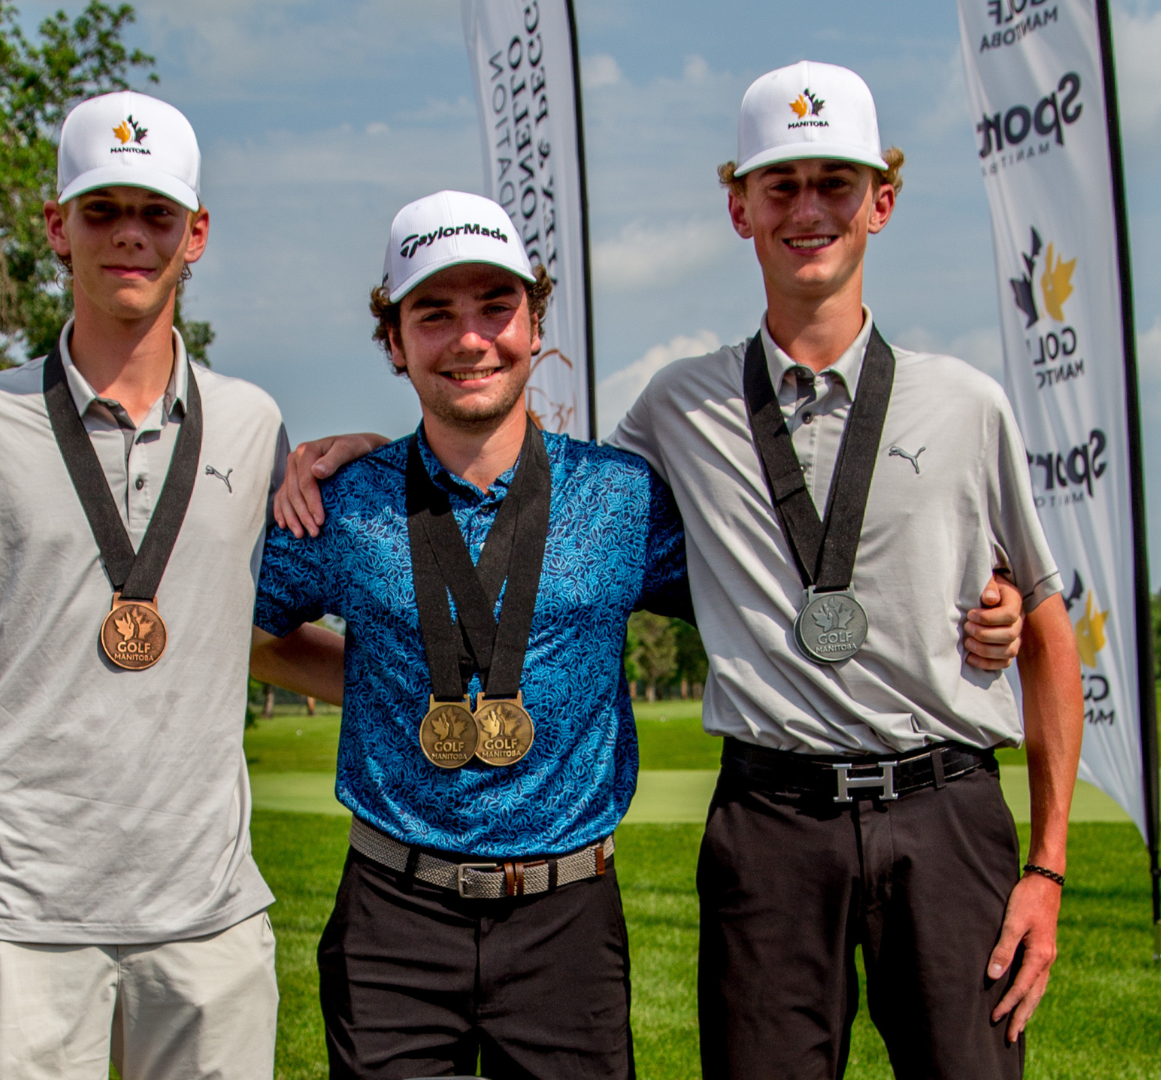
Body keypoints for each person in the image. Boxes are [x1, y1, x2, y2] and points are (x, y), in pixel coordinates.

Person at [272, 61, 1082, 1079]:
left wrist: (1042, 838)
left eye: (834, 182)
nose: (808, 210)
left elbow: (1033, 620)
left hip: (937, 803)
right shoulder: (673, 413)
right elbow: (494, 531)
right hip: (766, 820)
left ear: (882, 198)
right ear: (738, 206)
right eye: (780, 186)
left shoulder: (959, 404)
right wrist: (362, 473)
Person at [0, 90, 340, 1080]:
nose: (130, 235)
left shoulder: (254, 424)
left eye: (156, 213)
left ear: (196, 233)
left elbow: (242, 635)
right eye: (102, 210)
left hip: (206, 922)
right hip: (15, 915)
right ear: (57, 227)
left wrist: (423, 678)